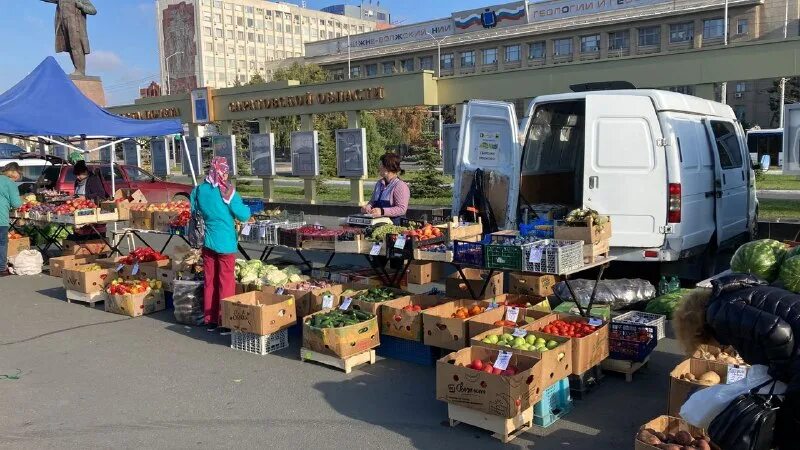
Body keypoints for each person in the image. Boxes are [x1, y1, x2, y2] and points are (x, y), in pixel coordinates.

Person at [674, 274, 800, 450]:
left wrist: (778, 371)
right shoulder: (739, 296)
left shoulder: (718, 312)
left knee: (792, 426)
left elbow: (778, 332)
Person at [190, 157, 251, 332]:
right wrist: (248, 210)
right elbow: (243, 215)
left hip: (207, 241)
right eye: (225, 170)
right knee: (226, 281)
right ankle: (225, 321)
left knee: (210, 280)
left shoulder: (199, 190)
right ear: (221, 171)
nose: (226, 174)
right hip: (225, 242)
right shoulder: (227, 191)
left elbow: (194, 212)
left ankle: (210, 320)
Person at [361, 152, 410, 225]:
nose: (379, 167)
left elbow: (401, 209)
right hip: (378, 223)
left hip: (394, 225)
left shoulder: (400, 186)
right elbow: (372, 201)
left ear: (388, 168)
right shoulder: (379, 184)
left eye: (381, 165)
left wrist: (382, 211)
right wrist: (368, 207)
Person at [0, 163, 22, 277]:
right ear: (13, 172)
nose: (20, 176)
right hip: (0, 218)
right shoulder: (10, 183)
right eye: (19, 173)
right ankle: (1, 269)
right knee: (2, 243)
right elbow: (16, 203)